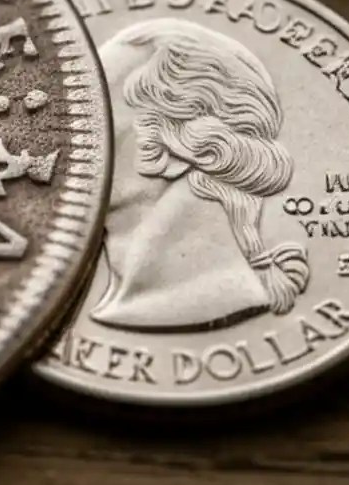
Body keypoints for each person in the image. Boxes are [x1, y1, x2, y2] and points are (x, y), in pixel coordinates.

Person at [88, 18, 309, 332]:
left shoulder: (195, 301)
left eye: (94, 119)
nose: (64, 139)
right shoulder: (120, 302)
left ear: (197, 146)